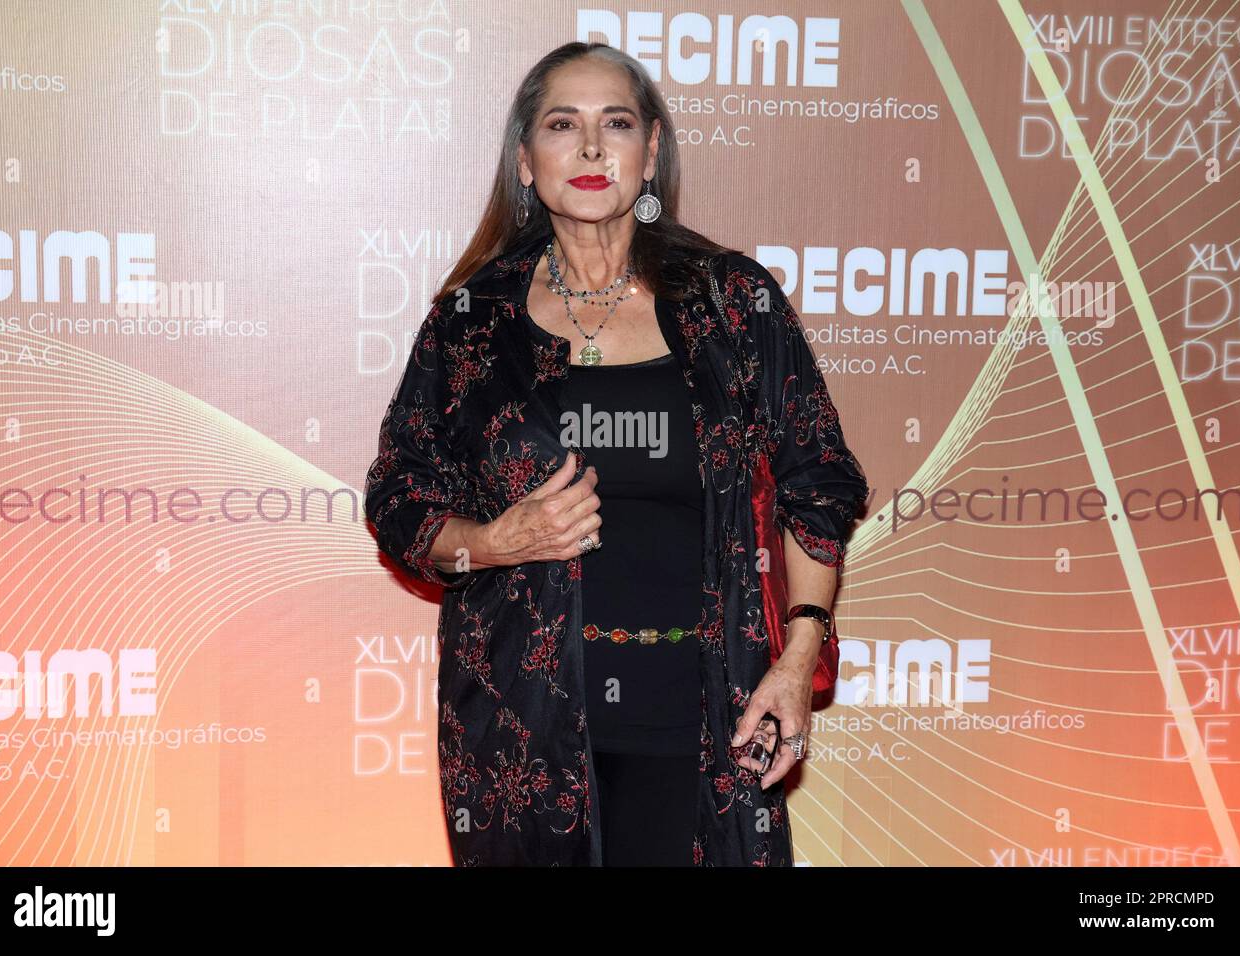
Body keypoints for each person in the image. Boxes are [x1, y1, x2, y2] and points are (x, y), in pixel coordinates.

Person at [363, 41, 869, 867]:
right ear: (525, 161)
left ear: (652, 152)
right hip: (524, 725)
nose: (593, 148)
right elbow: (398, 499)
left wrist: (798, 658)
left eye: (617, 123)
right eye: (564, 125)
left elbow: (818, 482)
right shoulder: (471, 322)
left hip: (712, 707)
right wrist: (494, 541)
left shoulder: (734, 303)